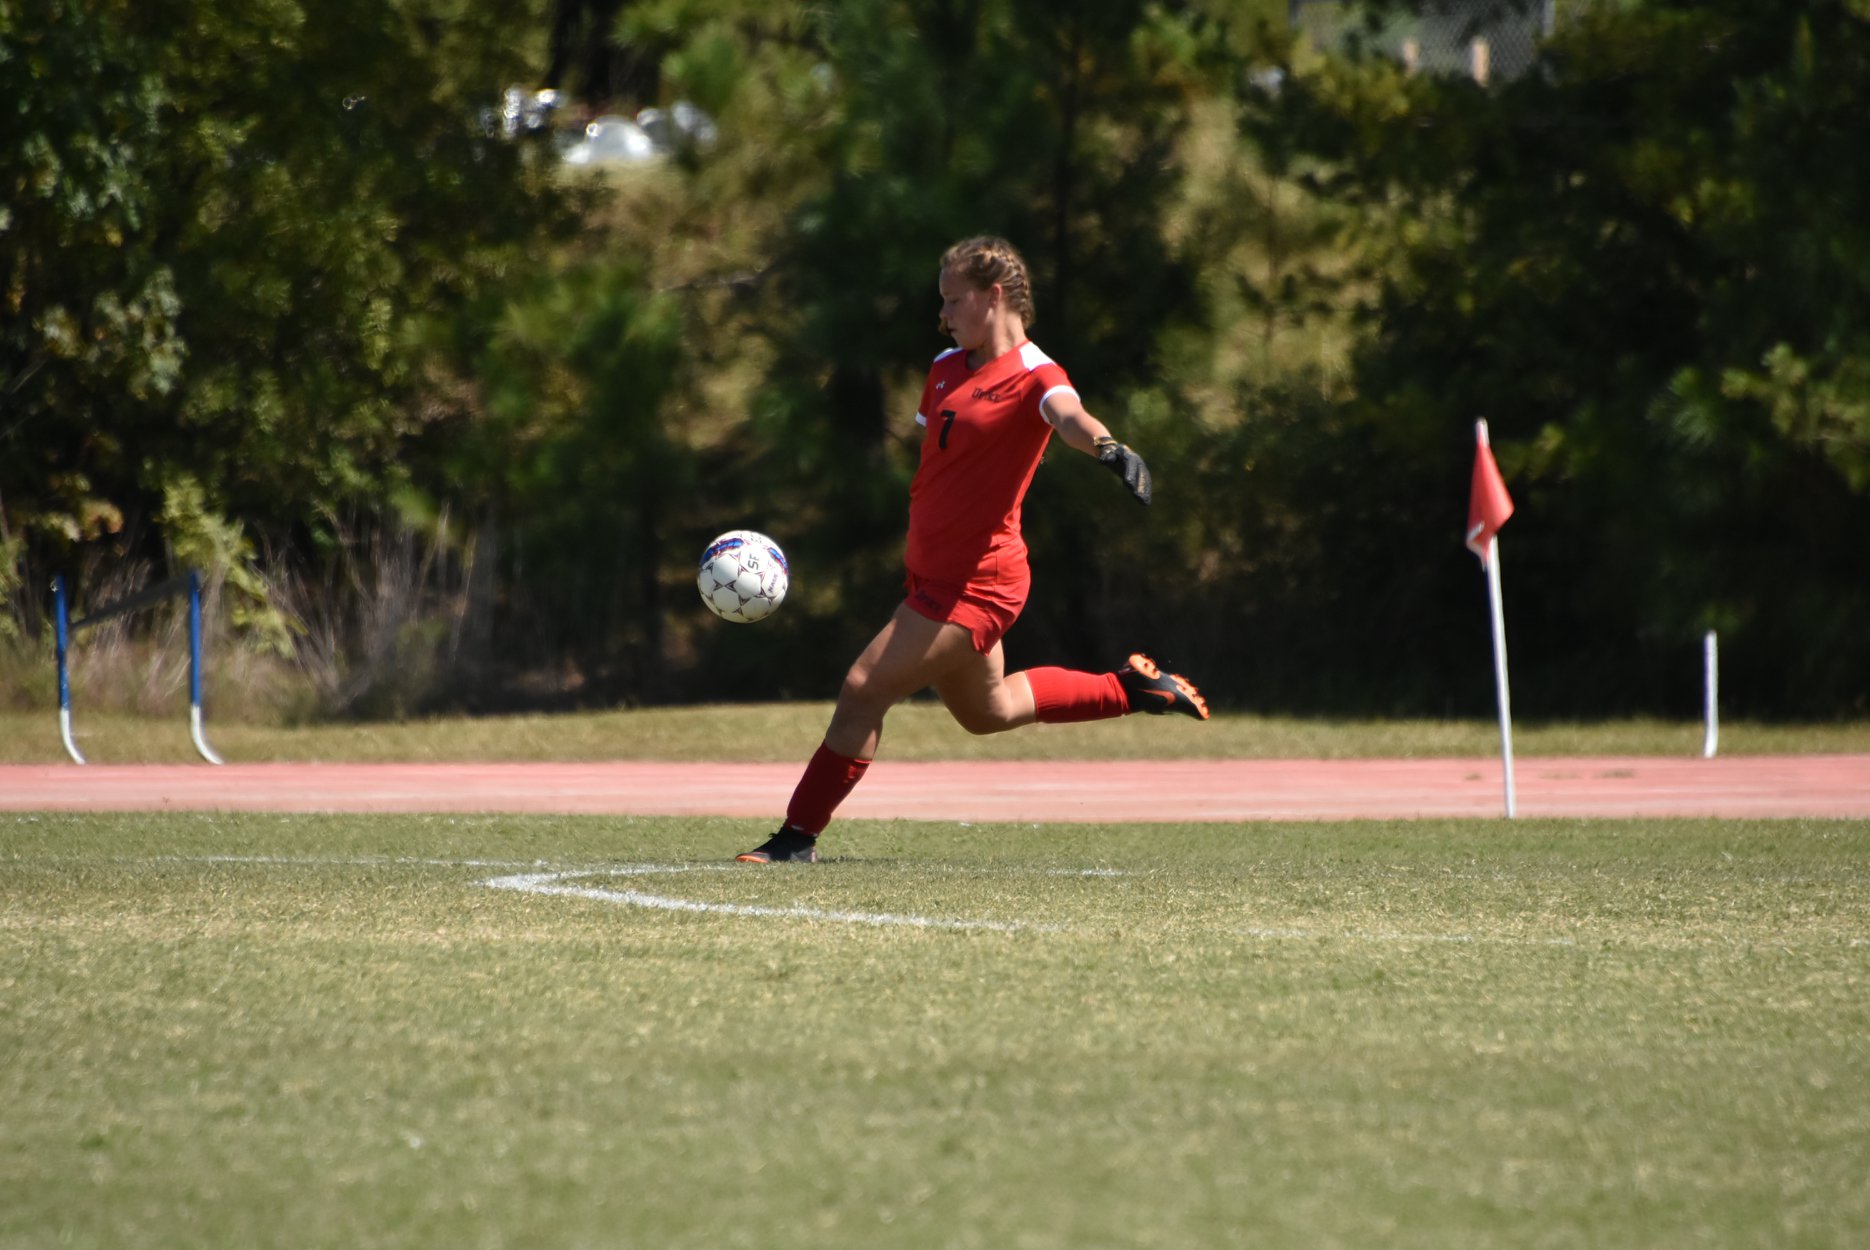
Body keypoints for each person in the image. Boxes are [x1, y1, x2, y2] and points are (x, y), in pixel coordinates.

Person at [737, 235, 1208, 863]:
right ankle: (1133, 690)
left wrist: (1106, 447)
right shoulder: (943, 368)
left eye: (953, 300)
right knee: (989, 710)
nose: (944, 313)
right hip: (931, 574)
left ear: (993, 296)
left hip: (976, 585)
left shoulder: (1036, 373)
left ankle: (795, 838)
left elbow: (1069, 414)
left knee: (862, 689)